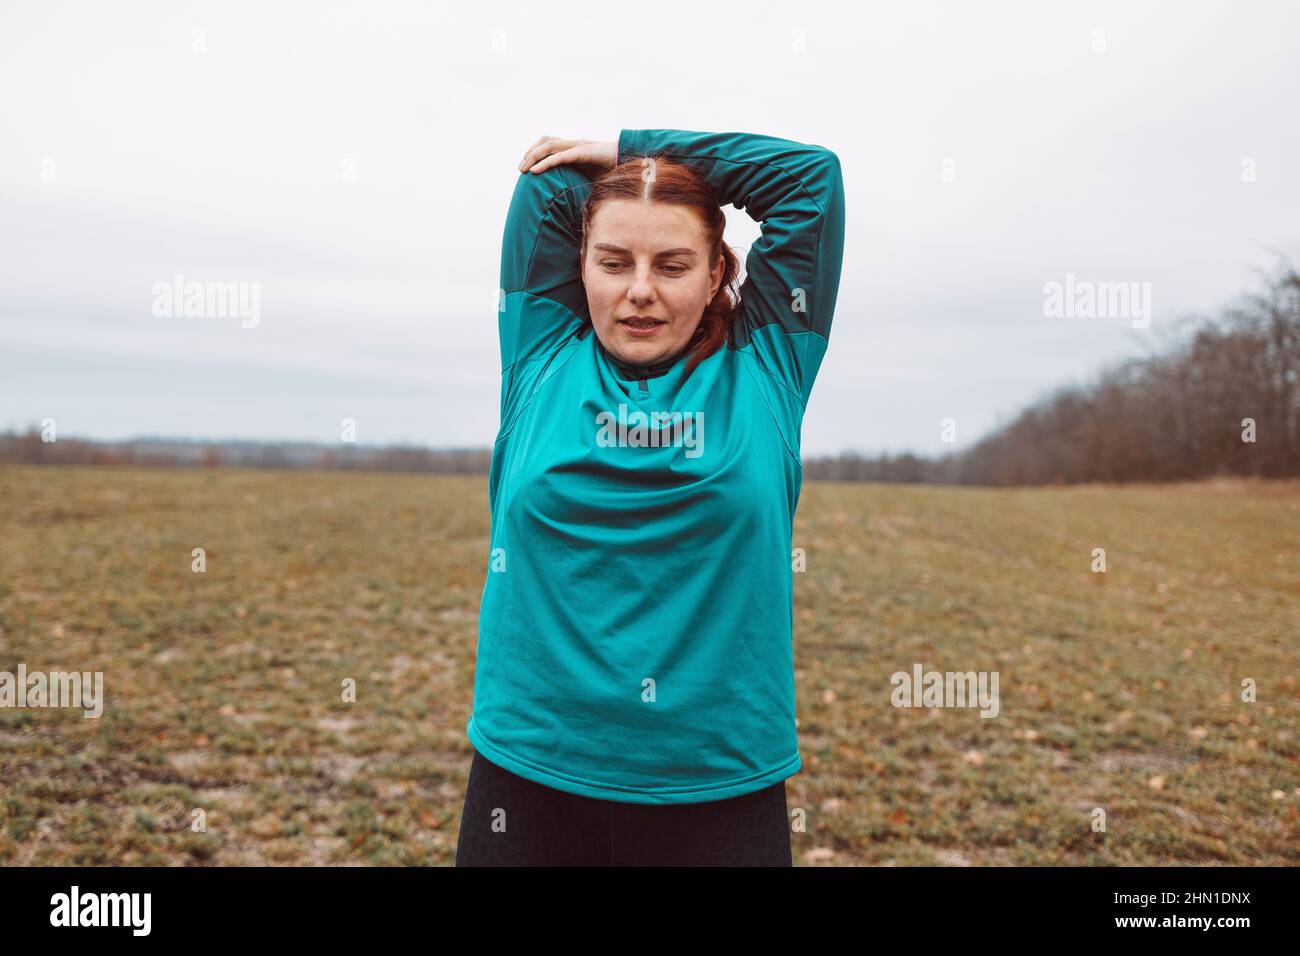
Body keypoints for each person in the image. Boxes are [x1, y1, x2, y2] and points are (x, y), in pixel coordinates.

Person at [455, 129, 846, 866]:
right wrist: (632, 178)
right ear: (580, 268)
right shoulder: (539, 354)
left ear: (714, 274)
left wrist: (631, 146)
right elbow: (548, 183)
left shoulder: (767, 367)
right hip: (532, 775)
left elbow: (809, 180)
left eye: (672, 265)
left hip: (718, 785)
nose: (640, 290)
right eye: (613, 263)